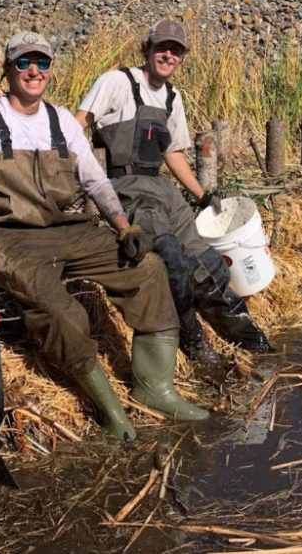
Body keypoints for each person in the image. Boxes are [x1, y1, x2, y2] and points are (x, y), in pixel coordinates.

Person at [0, 30, 209, 436]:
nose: (34, 70)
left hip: (67, 229)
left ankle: (155, 388)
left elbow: (95, 183)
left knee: (147, 268)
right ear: (8, 70)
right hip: (10, 238)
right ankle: (108, 406)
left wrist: (125, 227)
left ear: (50, 71)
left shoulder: (60, 120)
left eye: (41, 62)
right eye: (24, 62)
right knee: (60, 310)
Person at [74, 19, 272, 370]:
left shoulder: (172, 98)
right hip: (127, 187)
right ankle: (194, 344)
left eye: (176, 50)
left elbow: (174, 153)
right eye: (162, 47)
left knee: (211, 264)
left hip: (163, 189)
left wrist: (202, 196)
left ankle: (251, 342)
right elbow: (79, 124)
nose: (168, 55)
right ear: (147, 49)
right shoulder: (116, 81)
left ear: (181, 57)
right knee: (173, 261)